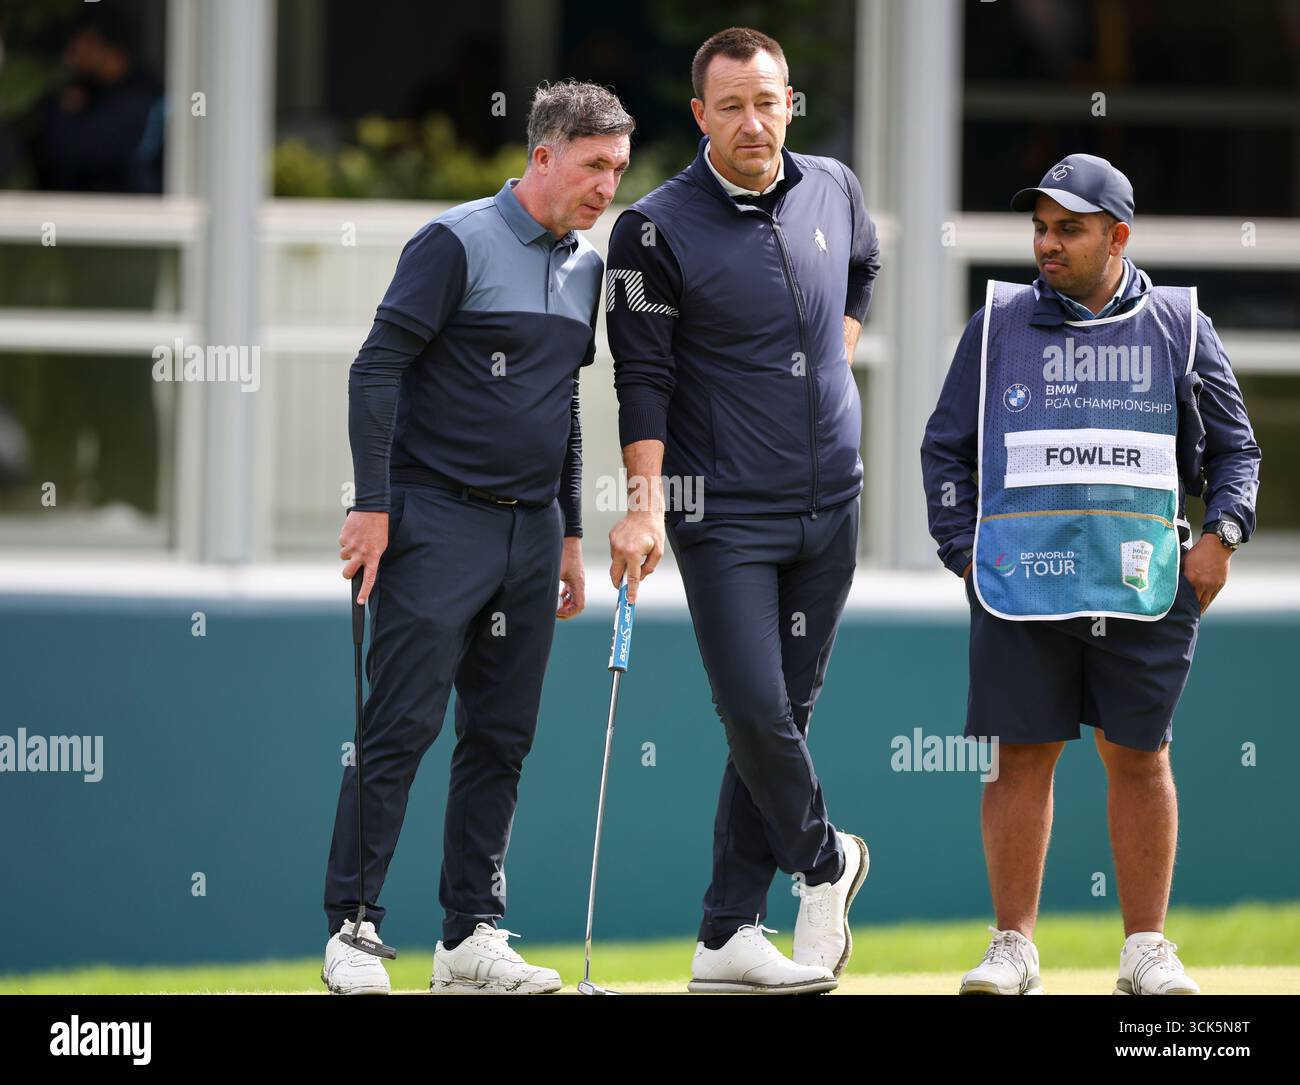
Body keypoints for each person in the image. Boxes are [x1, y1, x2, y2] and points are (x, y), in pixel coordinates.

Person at [921, 153, 1261, 995]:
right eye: (1039, 227)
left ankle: (1146, 948)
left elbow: (1235, 451)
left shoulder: (1182, 324)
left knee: (1140, 756)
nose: (1047, 243)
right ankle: (1013, 947)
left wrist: (1220, 534)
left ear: (1118, 236)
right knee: (1019, 757)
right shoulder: (996, 323)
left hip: (1143, 584)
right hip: (1017, 581)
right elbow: (944, 449)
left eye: (1067, 228)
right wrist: (962, 551)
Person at [323, 81, 633, 995]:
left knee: (501, 738)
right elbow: (376, 365)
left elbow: (565, 408)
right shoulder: (453, 241)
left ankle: (469, 939)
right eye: (592, 166)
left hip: (529, 535)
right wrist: (371, 504)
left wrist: (571, 534)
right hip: (435, 520)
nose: (606, 186)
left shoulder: (589, 267)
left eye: (617, 168)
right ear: (543, 157)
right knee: (400, 728)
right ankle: (353, 928)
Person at [606, 27, 881, 994]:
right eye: (733, 106)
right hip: (723, 516)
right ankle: (824, 863)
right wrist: (642, 508)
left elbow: (866, 268)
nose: (754, 122)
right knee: (755, 710)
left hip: (832, 506)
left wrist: (831, 358)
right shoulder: (650, 229)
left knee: (783, 720)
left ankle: (727, 930)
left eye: (769, 102)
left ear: (790, 103)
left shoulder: (834, 187)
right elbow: (640, 378)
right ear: (700, 116)